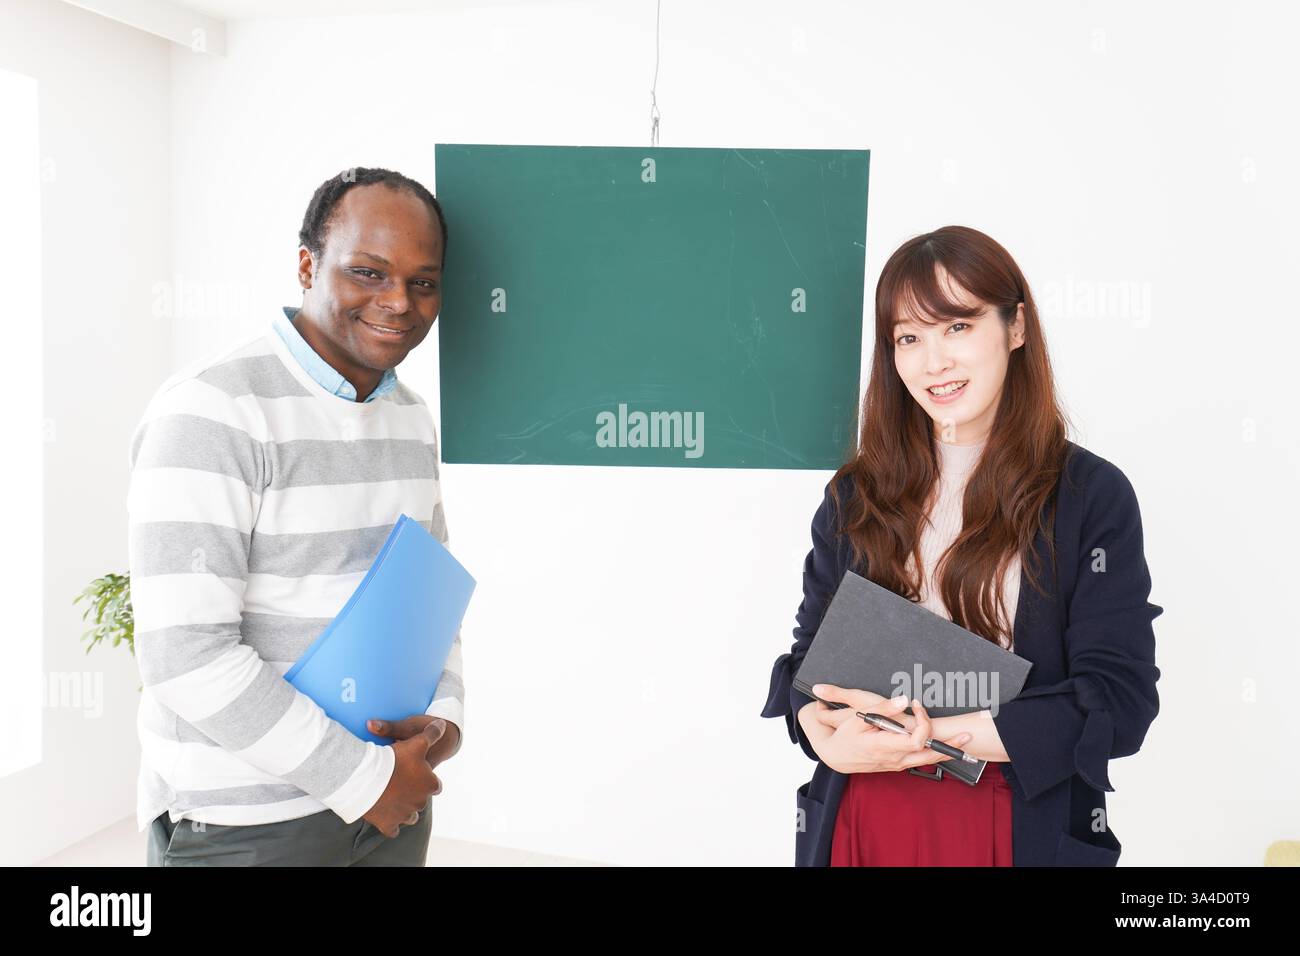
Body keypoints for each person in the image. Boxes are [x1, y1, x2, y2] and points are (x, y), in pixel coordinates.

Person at [761, 225, 1163, 866]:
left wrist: (939, 737)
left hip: (1010, 821)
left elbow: (1119, 700)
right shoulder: (857, 494)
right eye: (909, 338)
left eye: (957, 326)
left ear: (1016, 327)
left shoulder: (1089, 494)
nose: (934, 362)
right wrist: (820, 730)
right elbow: (812, 664)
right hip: (863, 816)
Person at [129, 167, 463, 866]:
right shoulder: (211, 408)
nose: (398, 301)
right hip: (246, 824)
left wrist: (442, 722)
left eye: (423, 281)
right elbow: (184, 656)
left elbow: (427, 597)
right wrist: (363, 780)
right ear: (308, 266)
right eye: (369, 272)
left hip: (392, 803)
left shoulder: (411, 417)